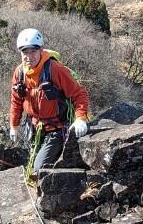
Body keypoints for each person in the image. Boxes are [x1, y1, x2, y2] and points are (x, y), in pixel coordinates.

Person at [9, 28, 89, 174]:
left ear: (41, 50)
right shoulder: (19, 73)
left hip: (56, 130)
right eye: (24, 52)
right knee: (30, 166)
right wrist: (13, 125)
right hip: (34, 129)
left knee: (38, 169)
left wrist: (81, 118)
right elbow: (16, 101)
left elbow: (79, 93)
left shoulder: (55, 69)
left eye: (33, 51)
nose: (29, 56)